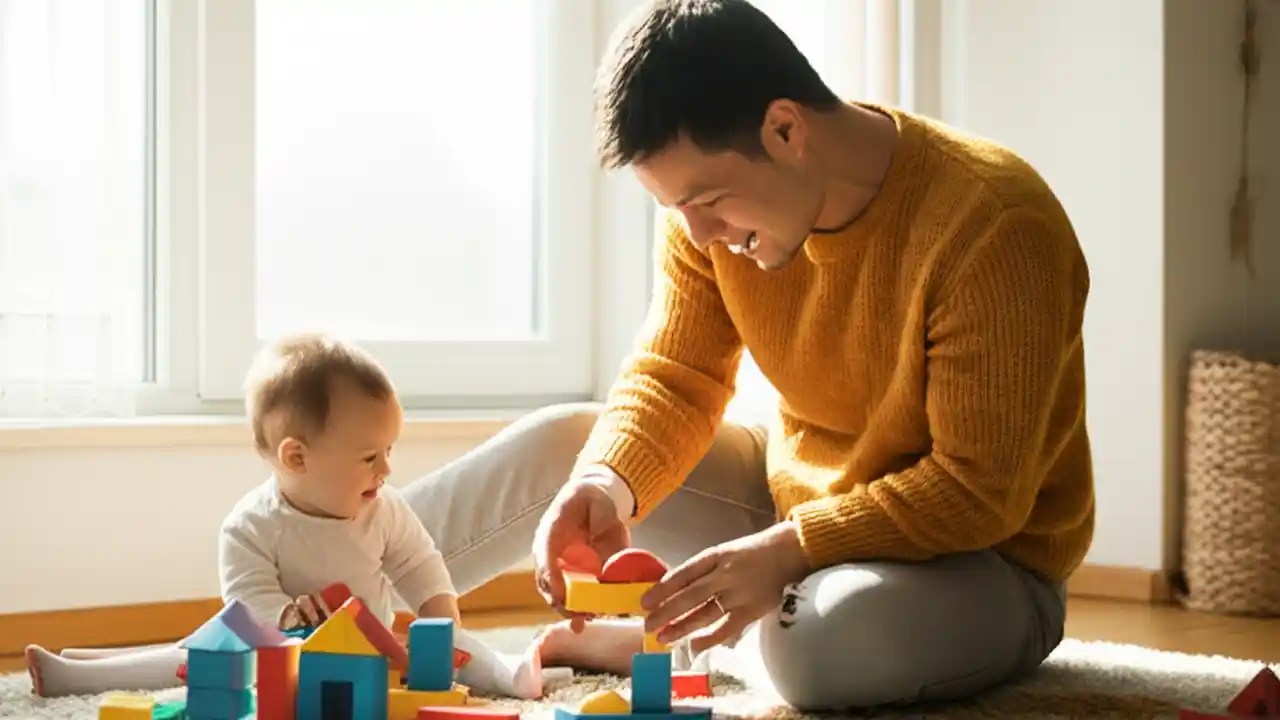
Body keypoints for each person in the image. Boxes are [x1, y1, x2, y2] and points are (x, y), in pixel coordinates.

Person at [398, 0, 1093, 711]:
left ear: (785, 128)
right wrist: (606, 485)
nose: (699, 236)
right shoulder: (709, 225)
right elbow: (676, 377)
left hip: (981, 566)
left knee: (821, 647)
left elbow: (979, 494)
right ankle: (319, 583)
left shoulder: (996, 225)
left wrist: (789, 552)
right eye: (677, 211)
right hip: (790, 514)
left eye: (707, 202)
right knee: (566, 451)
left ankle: (673, 637)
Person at [26, 334, 547, 700]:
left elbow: (419, 563)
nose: (387, 469)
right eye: (370, 457)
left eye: (389, 450)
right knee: (203, 657)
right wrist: (286, 617)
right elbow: (246, 601)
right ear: (297, 458)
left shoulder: (382, 509)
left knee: (448, 641)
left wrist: (440, 616)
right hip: (280, 657)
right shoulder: (251, 526)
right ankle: (79, 674)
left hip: (369, 654)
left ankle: (509, 672)